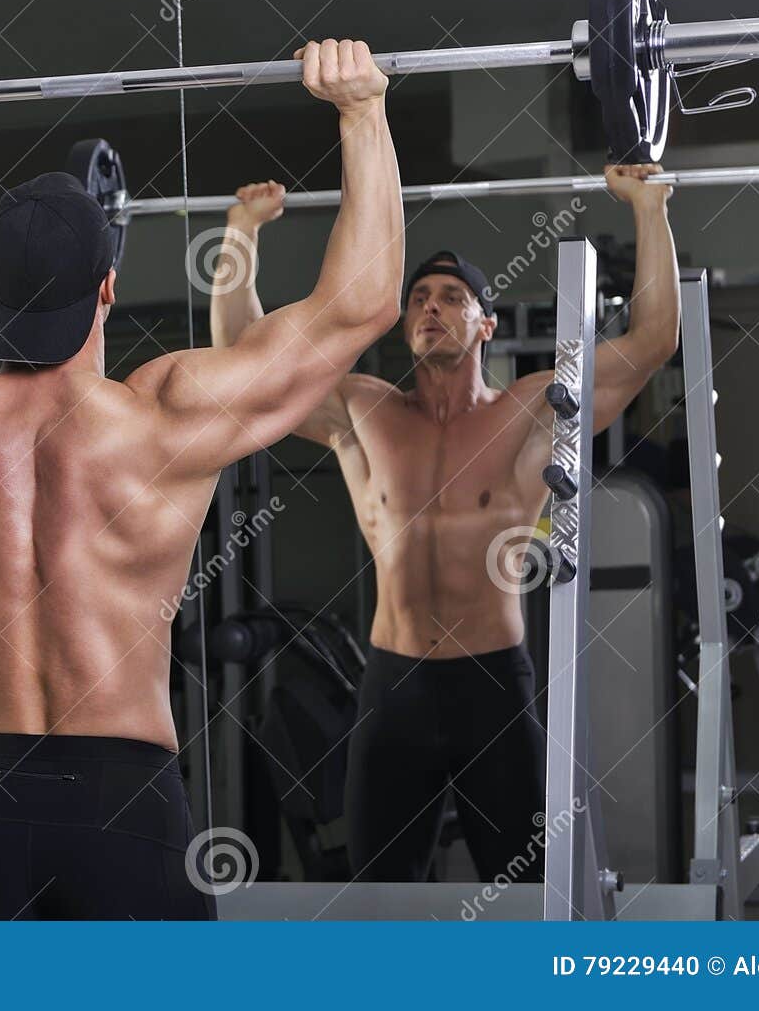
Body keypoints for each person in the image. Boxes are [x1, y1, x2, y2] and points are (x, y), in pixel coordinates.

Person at [0, 39, 404, 919]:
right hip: (126, 805)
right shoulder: (165, 416)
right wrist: (363, 113)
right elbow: (364, 302)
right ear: (108, 288)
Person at [209, 165, 680, 884]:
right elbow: (241, 364)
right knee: (377, 901)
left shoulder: (528, 415)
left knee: (529, 897)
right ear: (403, 324)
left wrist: (649, 209)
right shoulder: (361, 413)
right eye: (420, 299)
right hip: (392, 686)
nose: (432, 308)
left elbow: (651, 341)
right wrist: (241, 235)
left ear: (485, 323)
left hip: (492, 688)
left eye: (453, 297)